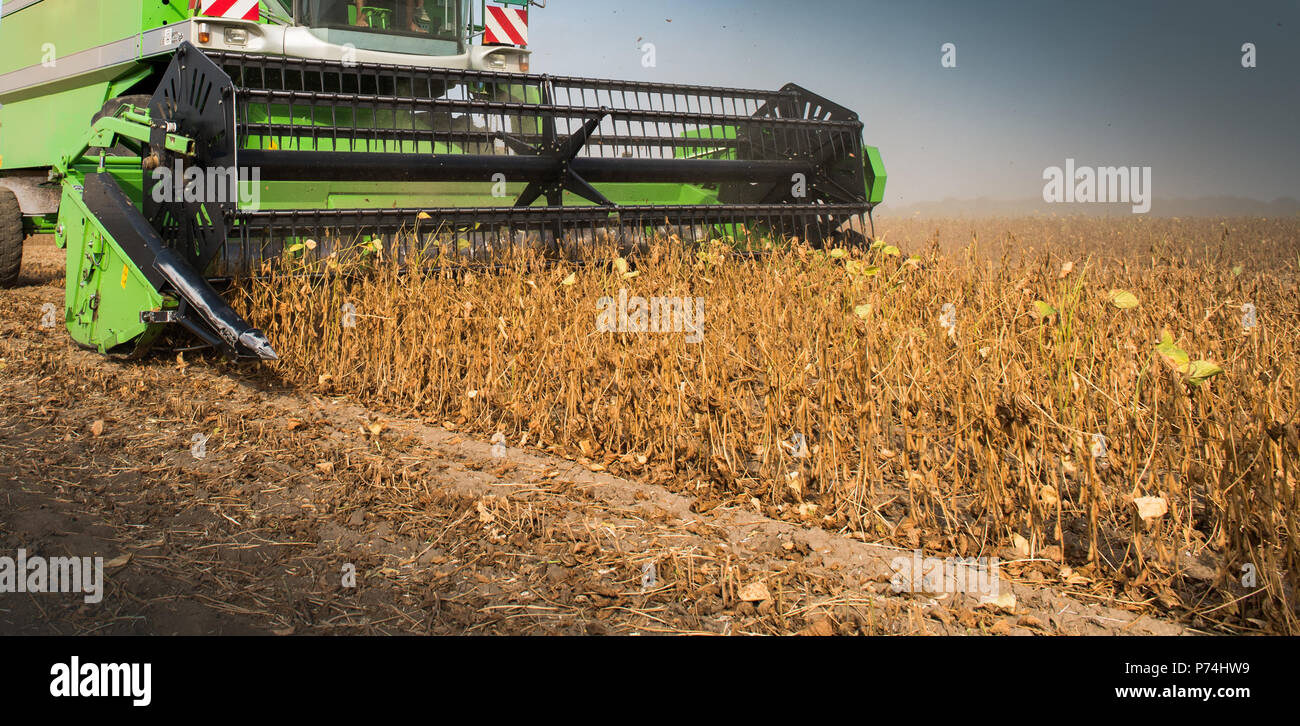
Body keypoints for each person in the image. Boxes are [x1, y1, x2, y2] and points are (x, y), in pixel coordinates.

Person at [353, 0, 424, 32]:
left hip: (399, 26)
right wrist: (360, 19)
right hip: (372, 19)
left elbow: (411, 4)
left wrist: (410, 23)